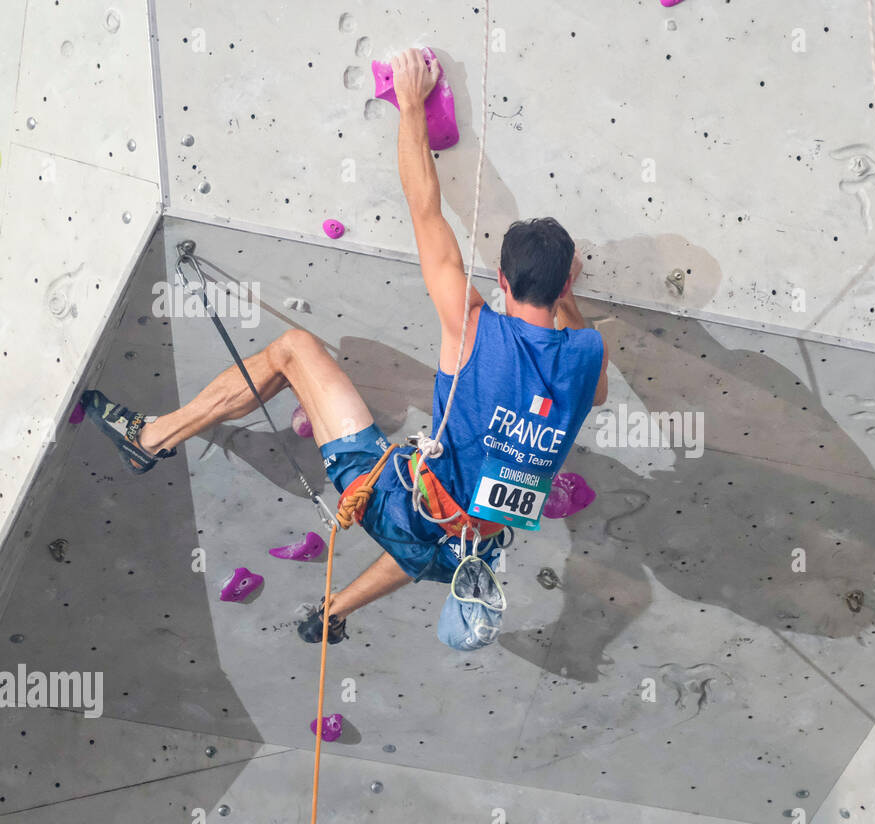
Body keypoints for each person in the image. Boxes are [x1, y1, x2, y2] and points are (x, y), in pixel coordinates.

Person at [80, 47, 609, 645]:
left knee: (293, 349)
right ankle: (334, 609)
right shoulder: (589, 355)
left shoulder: (474, 327)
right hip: (463, 548)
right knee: (430, 533)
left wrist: (411, 105)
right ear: (568, 283)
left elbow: (424, 209)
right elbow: (595, 388)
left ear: (504, 283)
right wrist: (567, 299)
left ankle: (151, 438)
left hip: (398, 503)